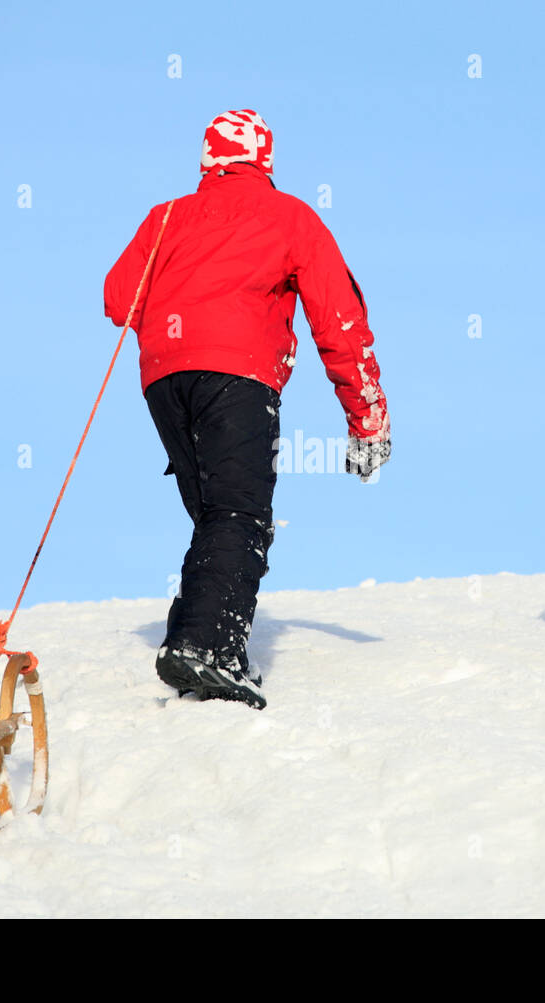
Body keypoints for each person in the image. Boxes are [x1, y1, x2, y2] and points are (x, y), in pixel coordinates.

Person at [104, 109, 390, 708]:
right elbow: (340, 320)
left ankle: (196, 641)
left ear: (207, 158)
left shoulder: (166, 216)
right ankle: (206, 649)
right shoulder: (291, 216)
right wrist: (367, 420)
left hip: (164, 379)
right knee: (240, 515)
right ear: (266, 159)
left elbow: (118, 298)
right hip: (237, 375)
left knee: (215, 514)